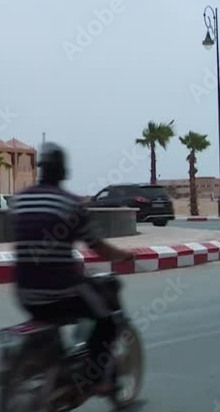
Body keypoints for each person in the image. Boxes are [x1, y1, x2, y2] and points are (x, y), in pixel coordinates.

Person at [9, 142, 134, 396]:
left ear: (40, 170)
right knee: (107, 320)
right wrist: (124, 256)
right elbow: (98, 247)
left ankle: (56, 366)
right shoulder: (71, 204)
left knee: (58, 315)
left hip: (25, 294)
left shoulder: (19, 201)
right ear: (63, 172)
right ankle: (96, 379)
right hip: (62, 293)